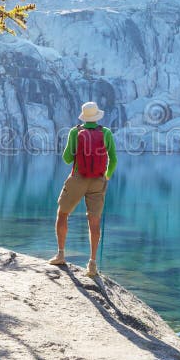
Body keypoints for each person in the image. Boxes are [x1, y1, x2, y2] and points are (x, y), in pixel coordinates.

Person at [49, 101, 117, 277]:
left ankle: (61, 254)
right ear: (97, 116)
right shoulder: (106, 132)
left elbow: (66, 159)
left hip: (79, 177)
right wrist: (106, 176)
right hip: (98, 180)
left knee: (62, 214)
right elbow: (114, 160)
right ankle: (92, 264)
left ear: (83, 116)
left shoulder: (75, 131)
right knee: (94, 221)